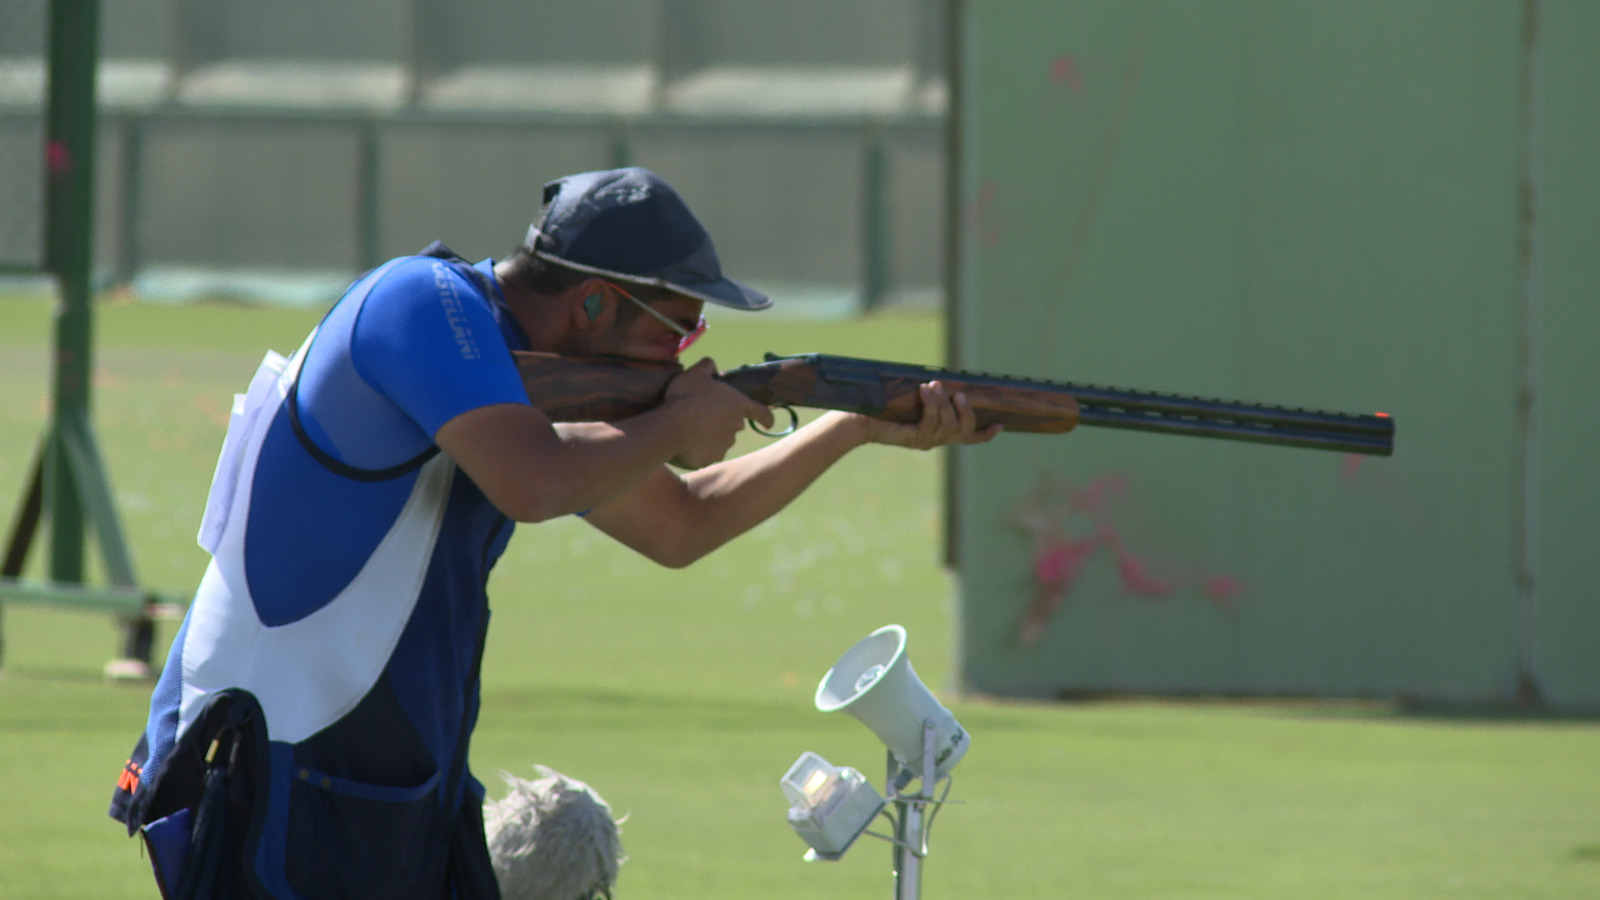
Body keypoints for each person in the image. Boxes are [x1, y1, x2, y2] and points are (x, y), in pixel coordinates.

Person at [108, 166, 998, 899]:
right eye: (680, 323)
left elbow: (682, 524)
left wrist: (855, 425)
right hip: (281, 774)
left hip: (401, 793)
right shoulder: (420, 302)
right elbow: (535, 484)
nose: (689, 349)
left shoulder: (501, 389)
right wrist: (676, 426)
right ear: (597, 307)